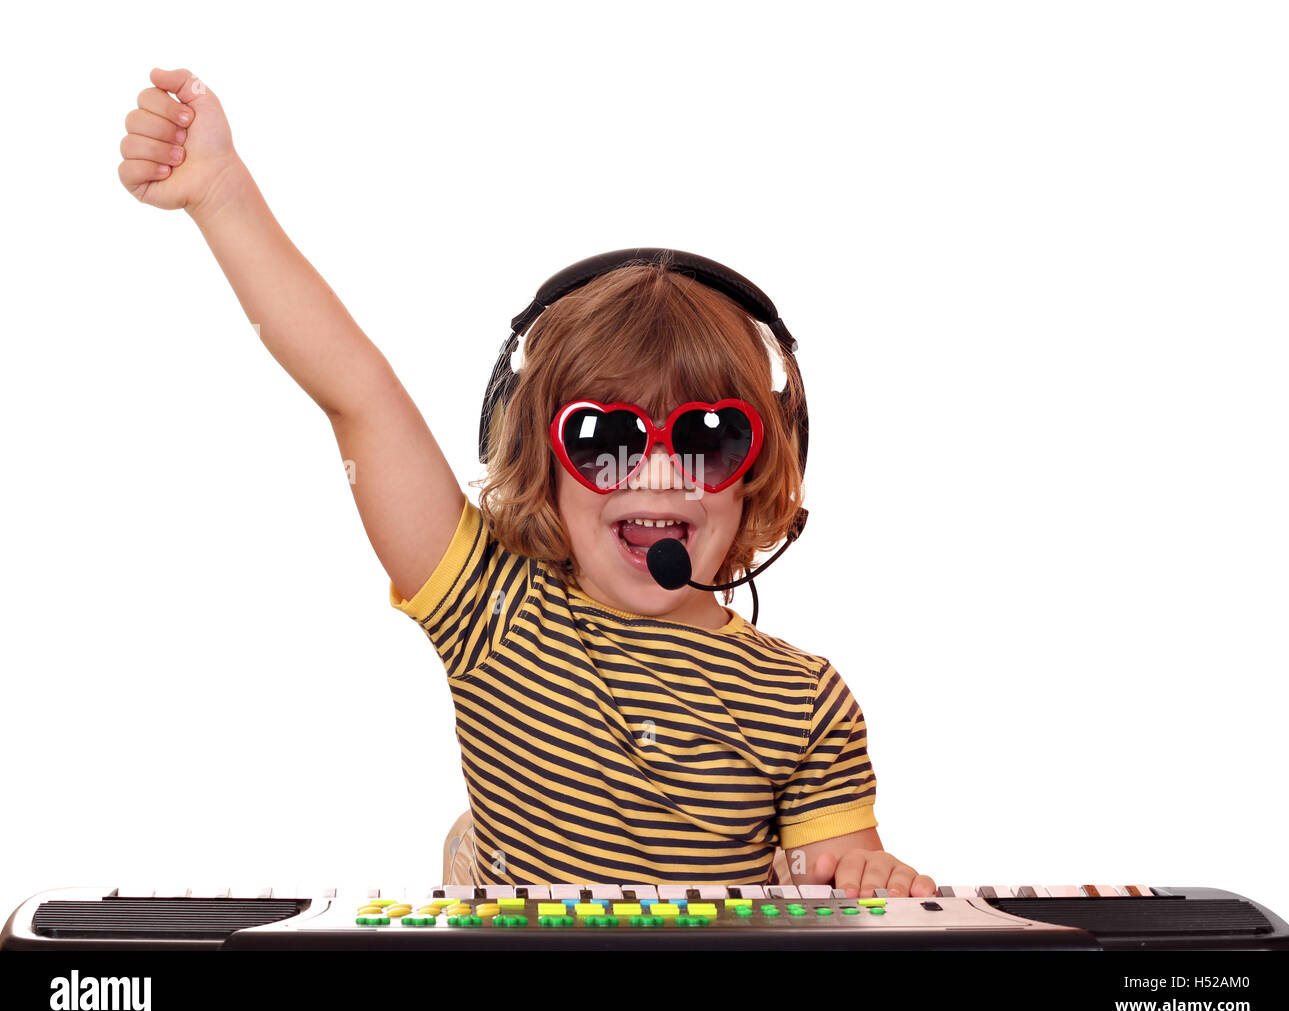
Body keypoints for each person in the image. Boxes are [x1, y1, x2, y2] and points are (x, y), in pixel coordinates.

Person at [118, 66, 937, 899]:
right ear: (543, 470)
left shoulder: (806, 701)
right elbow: (356, 393)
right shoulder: (493, 607)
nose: (656, 470)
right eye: (605, 438)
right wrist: (222, 193)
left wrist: (861, 876)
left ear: (756, 468)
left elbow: (837, 887)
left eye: (705, 438)